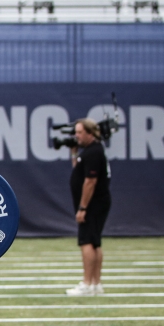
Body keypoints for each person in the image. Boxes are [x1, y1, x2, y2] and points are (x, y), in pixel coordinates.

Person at [66, 118, 111, 296]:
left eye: (79, 132)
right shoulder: (92, 150)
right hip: (97, 202)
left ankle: (87, 284)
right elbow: (79, 172)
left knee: (86, 242)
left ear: (90, 133)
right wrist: (74, 153)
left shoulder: (93, 152)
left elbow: (90, 181)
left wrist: (83, 207)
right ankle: (95, 284)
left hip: (93, 203)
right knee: (95, 242)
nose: (76, 136)